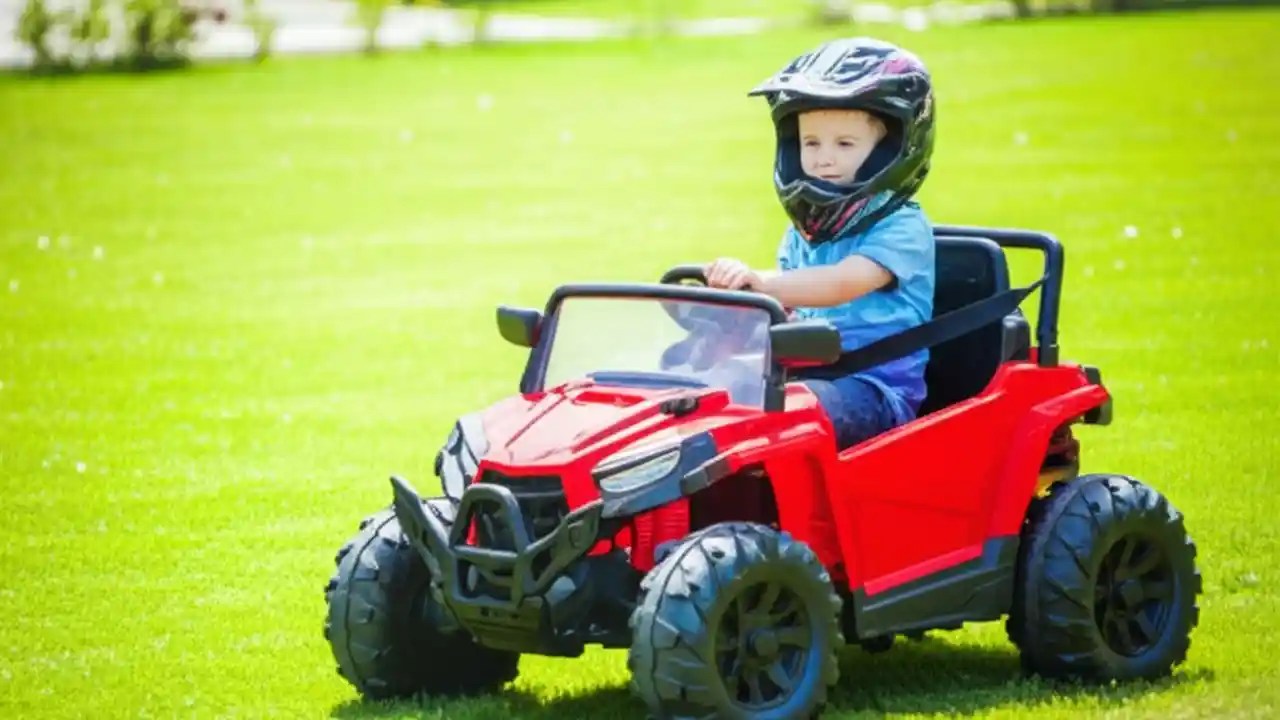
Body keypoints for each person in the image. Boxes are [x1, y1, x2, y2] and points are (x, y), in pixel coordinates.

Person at [703, 37, 938, 449]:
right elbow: (791, 306)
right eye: (811, 143)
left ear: (891, 150)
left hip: (874, 389)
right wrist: (731, 306)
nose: (823, 158)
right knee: (700, 386)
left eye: (844, 144)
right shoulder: (805, 230)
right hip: (802, 374)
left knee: (793, 414)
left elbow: (840, 283)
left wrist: (761, 282)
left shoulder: (901, 227)